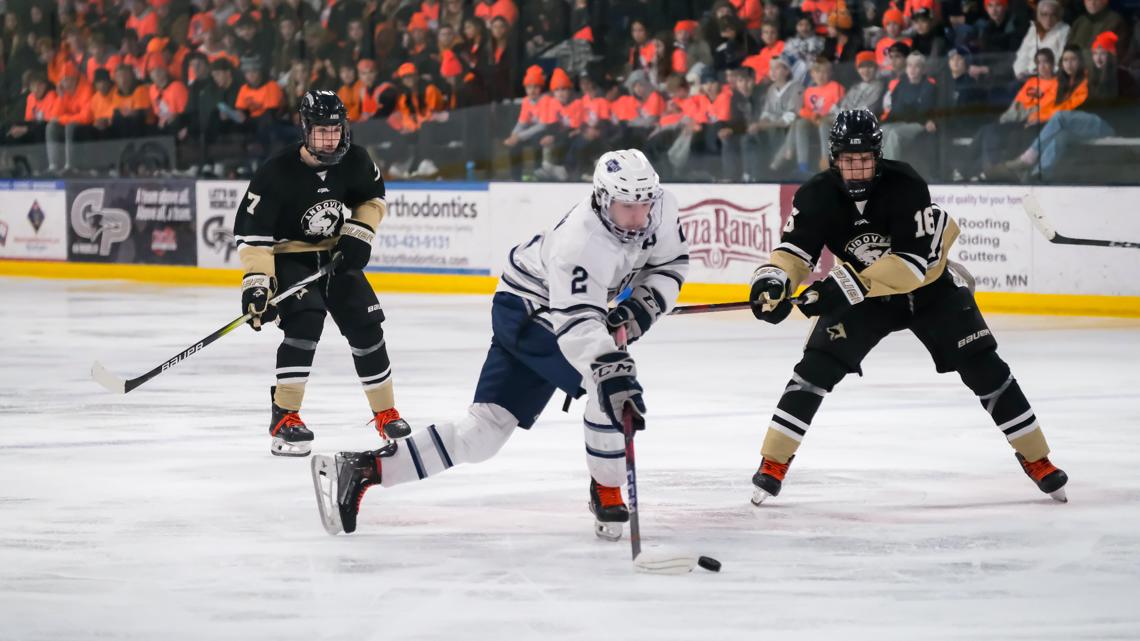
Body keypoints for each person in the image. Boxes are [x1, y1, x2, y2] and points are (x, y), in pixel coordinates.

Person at [310, 149, 689, 537]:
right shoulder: (579, 242)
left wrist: (641, 309)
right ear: (604, 199)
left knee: (482, 436)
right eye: (629, 206)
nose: (640, 217)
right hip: (528, 308)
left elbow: (670, 264)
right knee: (607, 380)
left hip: (545, 308)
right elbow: (576, 323)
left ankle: (362, 468)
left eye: (645, 204)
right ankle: (607, 488)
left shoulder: (661, 210)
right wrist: (608, 362)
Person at [745, 108, 1068, 505]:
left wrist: (841, 286)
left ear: (878, 157)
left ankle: (1038, 458)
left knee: (987, 369)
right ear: (834, 159)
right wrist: (773, 281)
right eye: (849, 160)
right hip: (866, 298)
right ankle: (773, 461)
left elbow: (911, 265)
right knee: (814, 370)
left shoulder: (905, 184)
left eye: (865, 160)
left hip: (929, 290)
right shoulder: (815, 195)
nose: (858, 169)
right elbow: (794, 253)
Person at [232, 90, 412, 457]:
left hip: (334, 254)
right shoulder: (275, 172)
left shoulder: (356, 160)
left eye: (336, 129)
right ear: (305, 130)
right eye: (322, 131)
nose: (331, 138)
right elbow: (254, 237)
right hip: (290, 257)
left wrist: (359, 234)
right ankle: (285, 416)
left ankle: (385, 412)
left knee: (367, 327)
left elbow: (373, 198)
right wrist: (257, 287)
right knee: (305, 323)